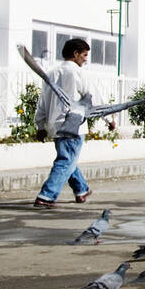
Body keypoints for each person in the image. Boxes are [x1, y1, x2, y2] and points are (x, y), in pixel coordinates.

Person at [33, 38, 93, 207]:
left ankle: (81, 190)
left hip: (55, 125)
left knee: (68, 159)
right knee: (66, 160)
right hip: (74, 125)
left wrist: (40, 125)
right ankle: (47, 195)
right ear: (75, 54)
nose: (85, 59)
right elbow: (91, 97)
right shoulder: (78, 73)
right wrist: (109, 119)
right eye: (84, 55)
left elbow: (42, 101)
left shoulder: (51, 73)